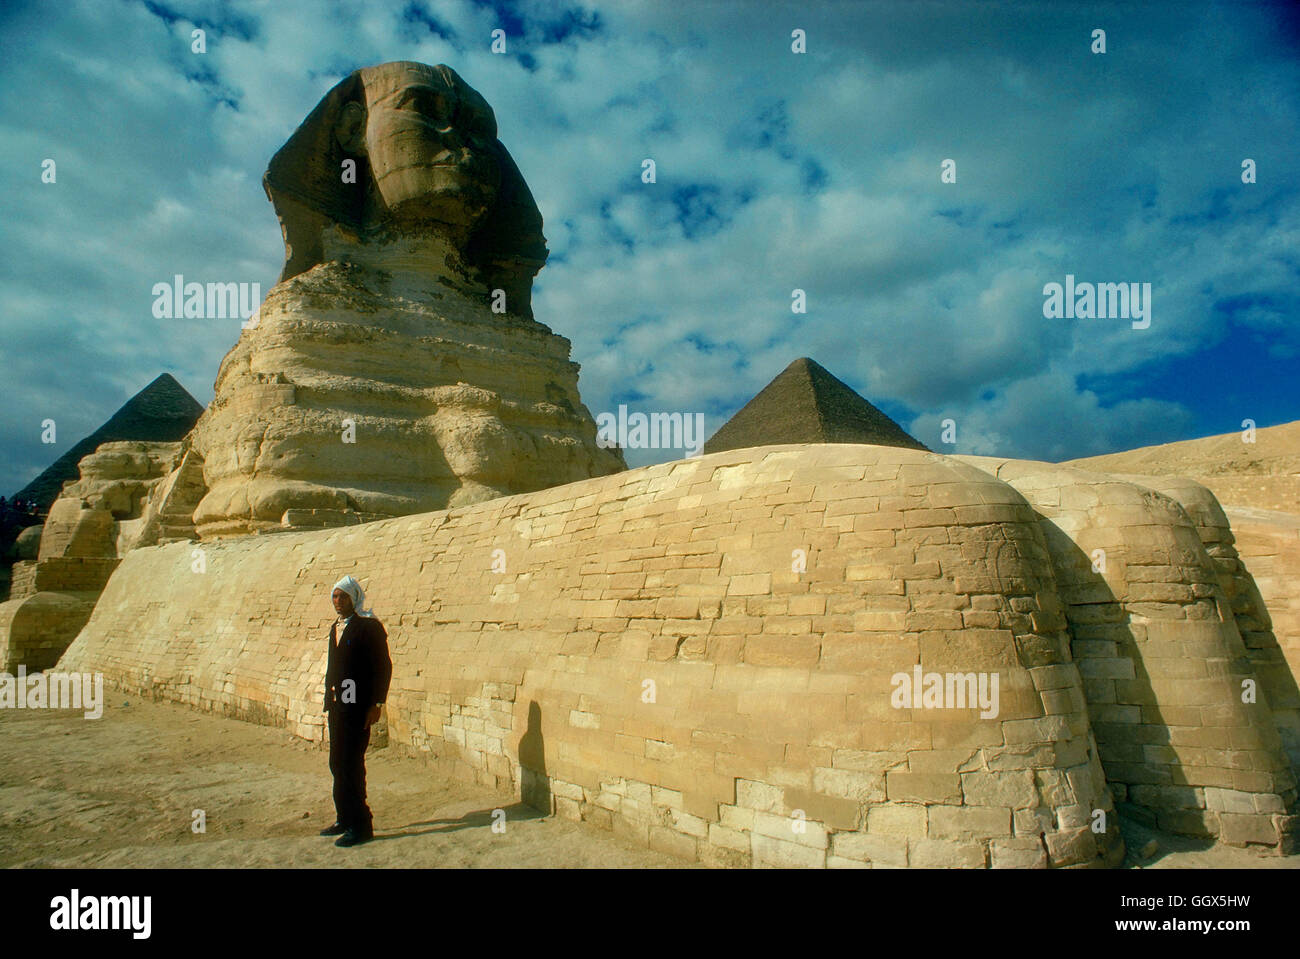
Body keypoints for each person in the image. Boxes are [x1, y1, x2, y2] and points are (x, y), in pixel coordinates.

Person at [320, 574, 391, 847]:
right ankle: (344, 817)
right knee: (337, 764)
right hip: (339, 707)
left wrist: (376, 704)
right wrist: (330, 699)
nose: (338, 602)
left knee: (351, 765)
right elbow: (333, 667)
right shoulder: (336, 627)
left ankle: (361, 826)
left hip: (358, 706)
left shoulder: (368, 627)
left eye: (343, 596)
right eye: (335, 596)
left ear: (355, 598)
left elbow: (383, 666)